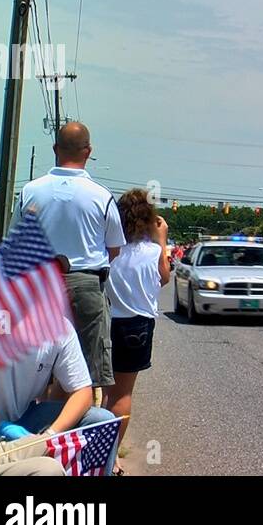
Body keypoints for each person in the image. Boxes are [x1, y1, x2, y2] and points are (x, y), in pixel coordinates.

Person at [12, 122, 126, 391]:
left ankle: (38, 425)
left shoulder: (30, 191)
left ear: (55, 149)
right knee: (85, 375)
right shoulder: (102, 196)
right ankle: (74, 425)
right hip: (87, 286)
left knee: (37, 367)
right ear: (88, 151)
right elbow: (114, 249)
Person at [0, 308, 117, 474]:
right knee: (46, 470)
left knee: (102, 421)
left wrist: (50, 435)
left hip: (27, 420)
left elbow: (82, 392)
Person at [104, 189, 170, 472]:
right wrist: (162, 239)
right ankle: (111, 455)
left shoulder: (110, 251)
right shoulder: (153, 252)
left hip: (107, 321)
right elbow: (164, 279)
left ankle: (94, 449)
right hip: (138, 326)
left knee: (101, 391)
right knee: (122, 395)